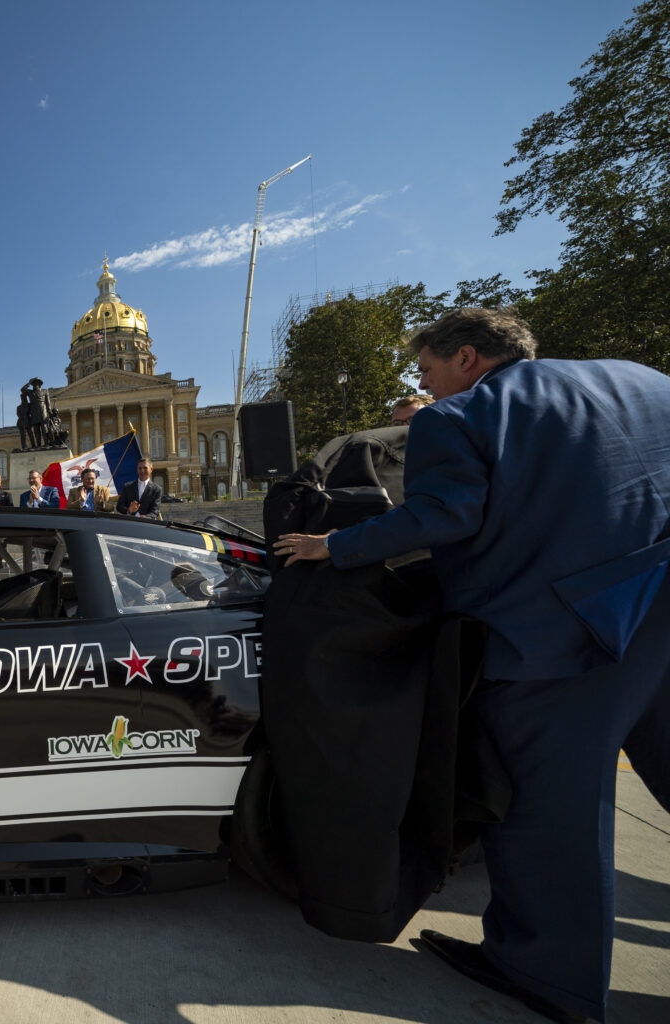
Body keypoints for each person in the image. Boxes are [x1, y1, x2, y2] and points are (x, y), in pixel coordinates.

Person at [275, 308, 670, 1024]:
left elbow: (443, 516)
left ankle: (547, 973)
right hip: (657, 604)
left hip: (566, 636)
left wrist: (331, 545)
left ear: (466, 357)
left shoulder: (456, 417)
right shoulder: (643, 380)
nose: (424, 386)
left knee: (549, 810)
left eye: (427, 370)